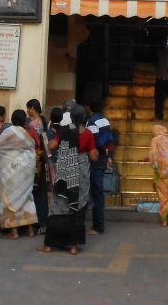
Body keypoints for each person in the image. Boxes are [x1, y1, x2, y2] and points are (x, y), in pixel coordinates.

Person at [37, 103, 97, 255]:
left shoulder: (64, 130)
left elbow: (52, 146)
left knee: (58, 207)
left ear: (70, 117)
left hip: (65, 174)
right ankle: (73, 246)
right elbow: (93, 156)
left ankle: (49, 245)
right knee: (77, 208)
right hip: (81, 175)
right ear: (84, 117)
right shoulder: (88, 134)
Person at [0, 110, 39, 239]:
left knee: (10, 197)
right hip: (25, 170)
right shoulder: (26, 133)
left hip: (10, 170)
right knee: (26, 197)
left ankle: (14, 232)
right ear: (24, 120)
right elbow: (32, 149)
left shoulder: (9, 131)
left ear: (12, 119)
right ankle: (30, 230)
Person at [85, 99, 115, 236]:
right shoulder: (105, 120)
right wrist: (109, 156)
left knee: (96, 192)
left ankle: (98, 226)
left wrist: (100, 153)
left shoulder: (91, 122)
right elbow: (109, 140)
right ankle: (98, 224)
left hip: (95, 158)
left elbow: (94, 142)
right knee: (98, 191)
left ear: (89, 107)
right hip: (103, 157)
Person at [26, 99, 53, 233]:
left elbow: (29, 141)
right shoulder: (43, 121)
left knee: (36, 191)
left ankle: (37, 222)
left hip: (35, 158)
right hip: (41, 158)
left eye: (28, 108)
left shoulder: (34, 123)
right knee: (40, 190)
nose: (27, 111)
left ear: (32, 108)